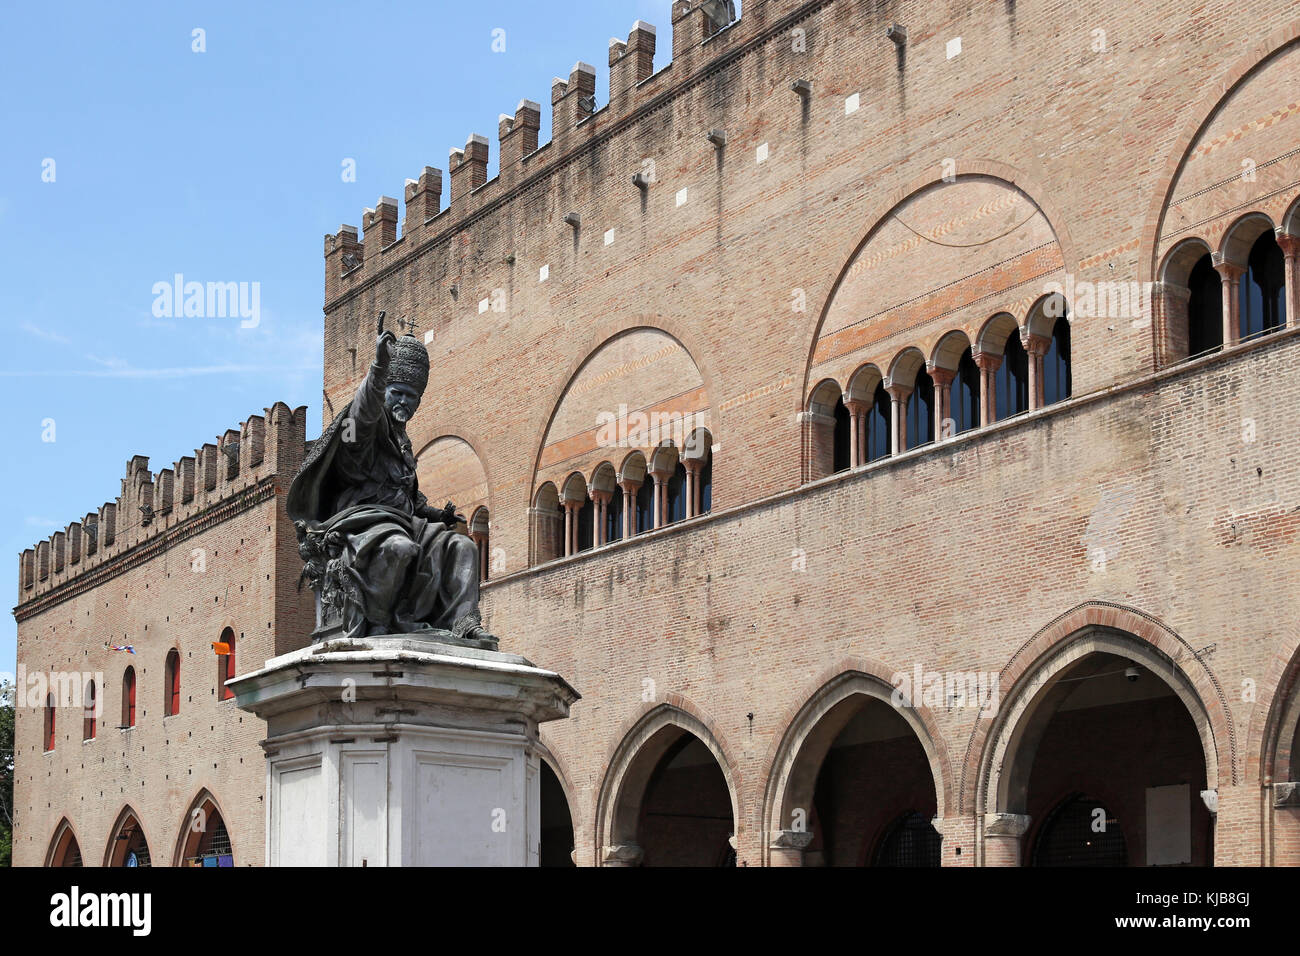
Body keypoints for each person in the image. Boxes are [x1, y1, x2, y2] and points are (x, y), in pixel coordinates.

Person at [287, 315, 492, 644]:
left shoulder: (402, 440)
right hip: (364, 520)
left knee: (463, 546)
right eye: (397, 392)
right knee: (398, 548)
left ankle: (464, 622)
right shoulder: (367, 429)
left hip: (404, 521)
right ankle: (379, 623)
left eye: (412, 397)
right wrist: (378, 369)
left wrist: (437, 514)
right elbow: (362, 411)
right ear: (383, 390)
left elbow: (408, 494)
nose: (404, 401)